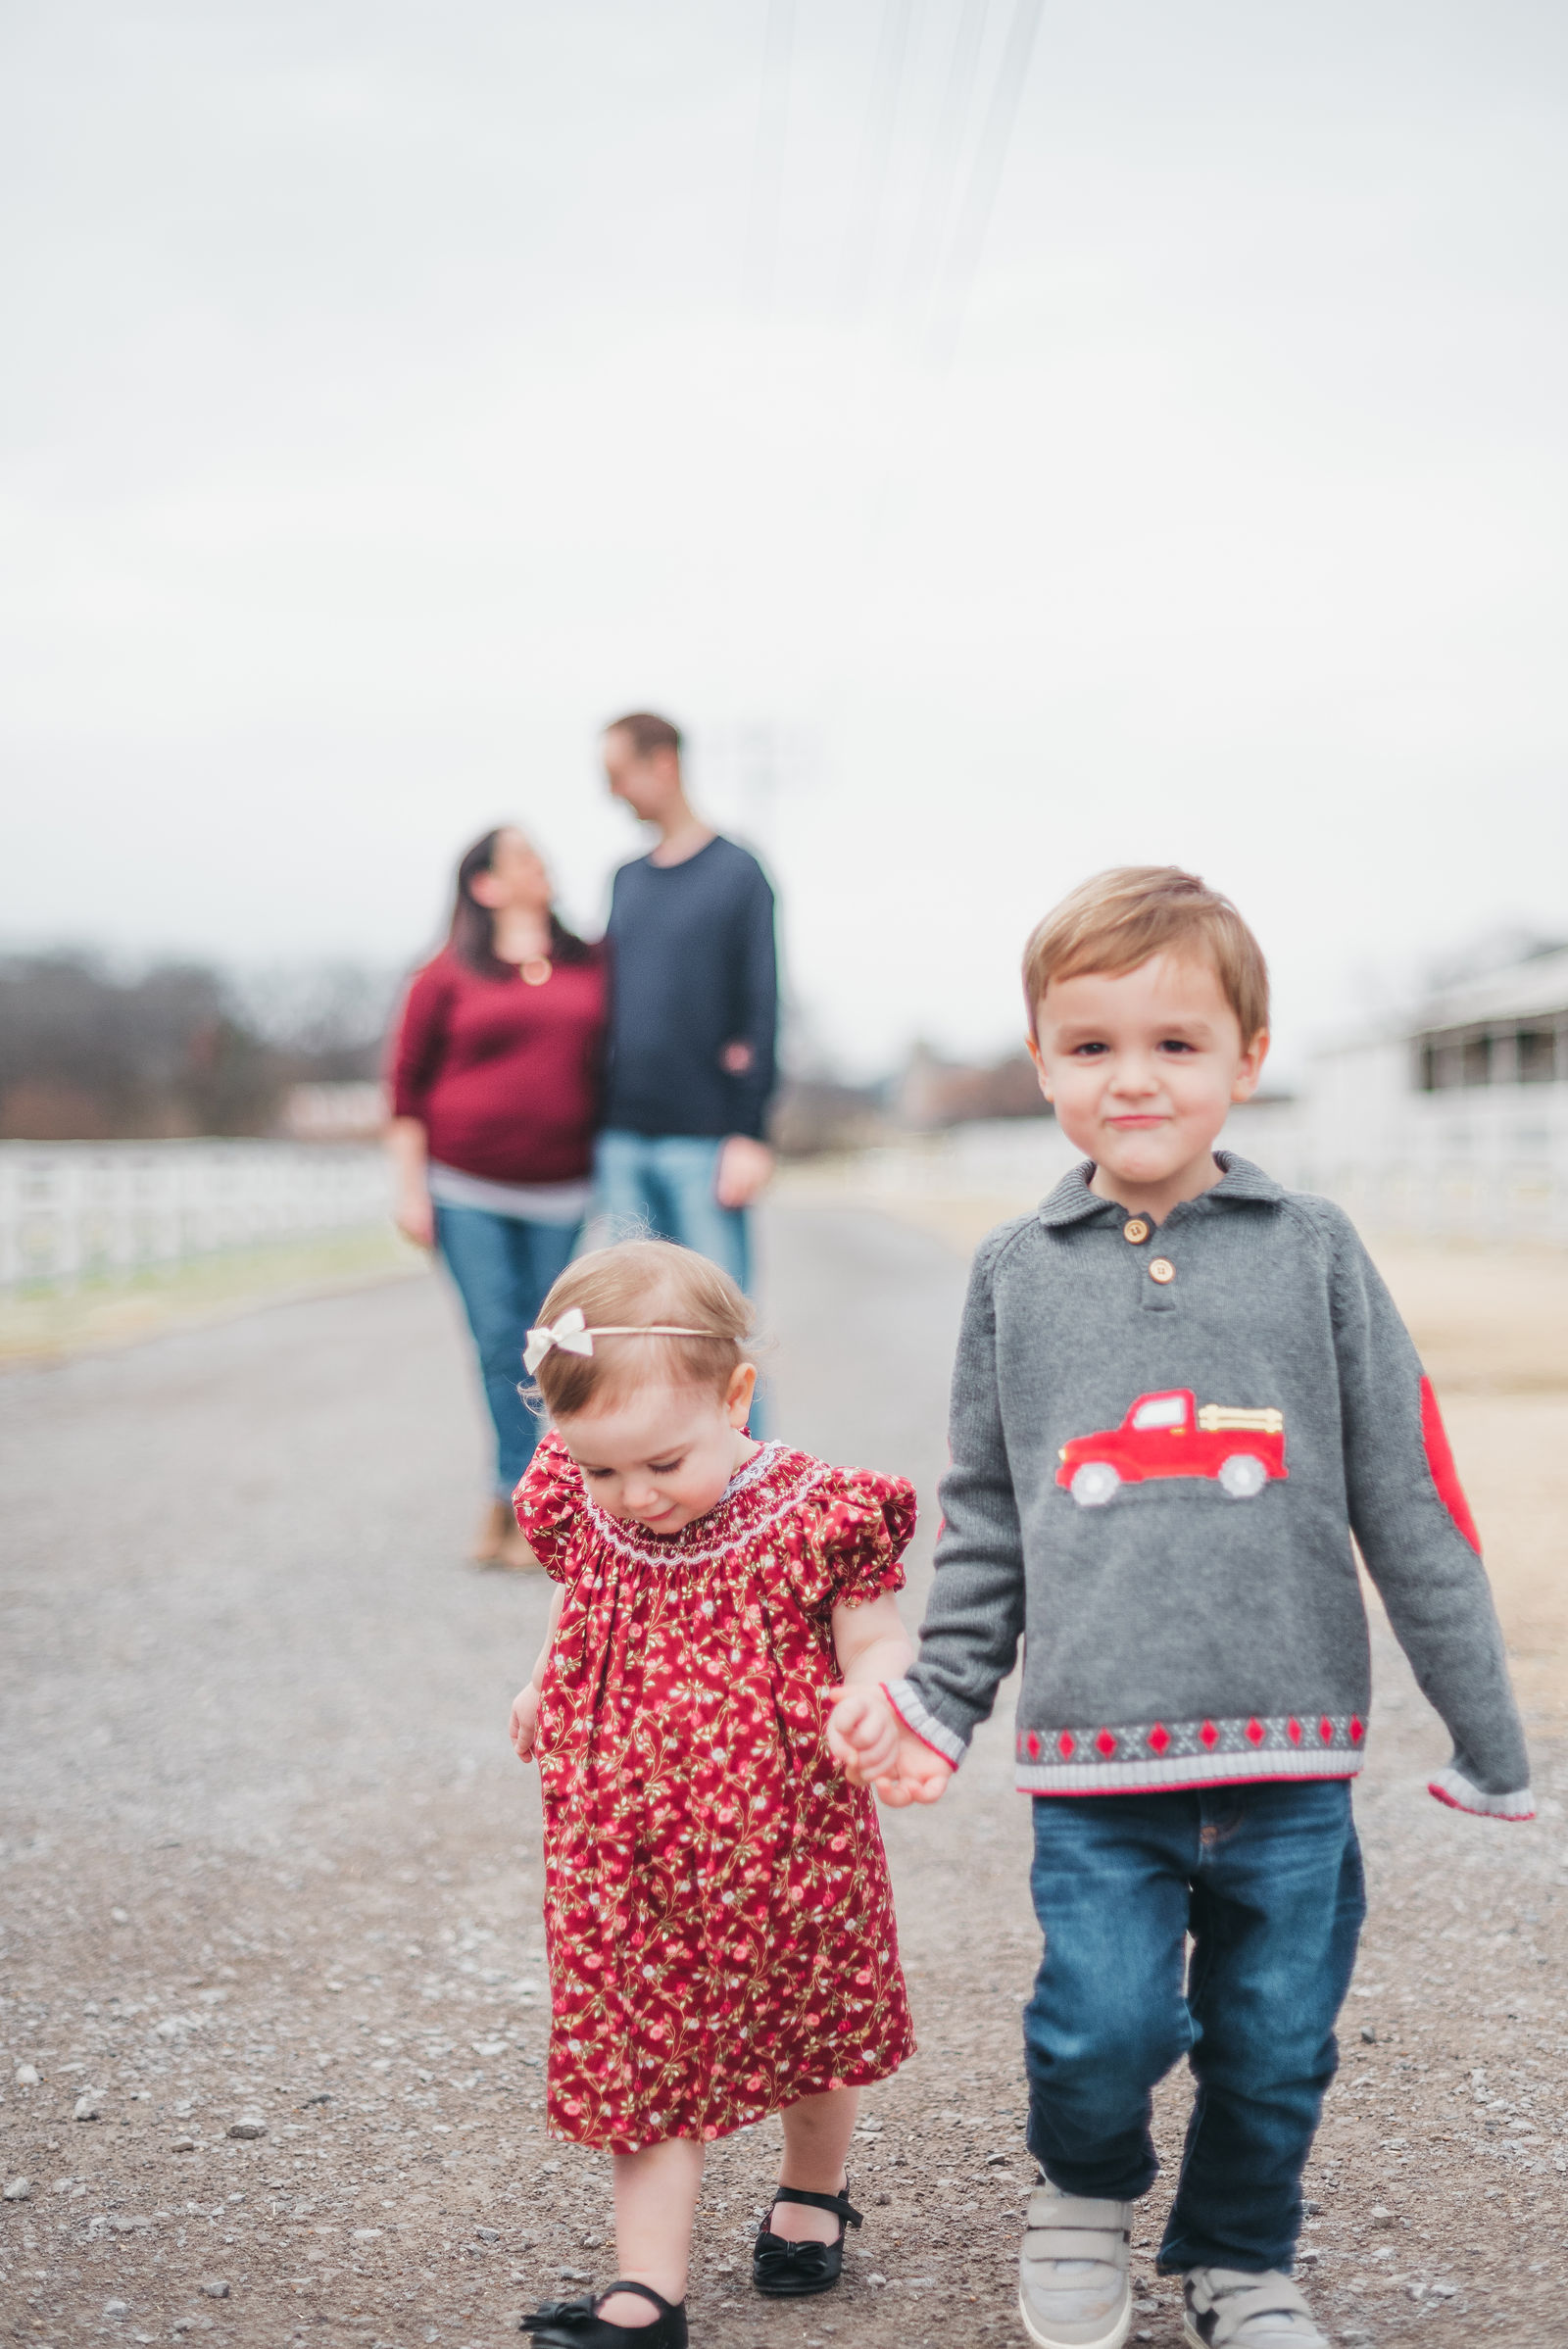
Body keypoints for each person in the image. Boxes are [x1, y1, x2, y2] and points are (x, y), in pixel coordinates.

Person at [828, 866, 1534, 2349]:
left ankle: (1237, 2256)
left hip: (1290, 1765)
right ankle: (1083, 2197)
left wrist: (1487, 1729)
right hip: (1098, 1772)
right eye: (1090, 1046)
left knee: (1275, 2047)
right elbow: (989, 1517)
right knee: (1103, 2029)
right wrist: (939, 1702)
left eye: (1175, 1043)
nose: (1131, 1079)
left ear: (1247, 1060)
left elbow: (1411, 1500)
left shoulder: (1314, 1249)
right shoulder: (1016, 1274)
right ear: (1041, 1065)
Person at [507, 1240, 916, 2349]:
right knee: (634, 2042)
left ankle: (811, 2190)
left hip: (786, 1840)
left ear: (737, 1396)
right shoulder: (583, 1501)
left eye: (661, 1464)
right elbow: (582, 1596)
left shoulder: (819, 1512)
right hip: (618, 1846)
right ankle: (649, 2292)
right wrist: (545, 1677)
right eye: (601, 1470)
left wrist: (875, 1696)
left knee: (810, 2016)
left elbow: (876, 1636)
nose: (632, 1497)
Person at [388, 827, 607, 1570]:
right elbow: (405, 1090)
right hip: (464, 1187)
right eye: (520, 856)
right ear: (483, 884)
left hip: (561, 1189)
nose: (539, 862)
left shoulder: (590, 963)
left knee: (555, 1348)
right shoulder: (443, 974)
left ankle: (541, 1498)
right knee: (497, 1341)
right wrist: (410, 1190)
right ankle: (512, 1496)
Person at [597, 712, 777, 1298]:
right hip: (621, 1140)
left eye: (618, 773)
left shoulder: (739, 873)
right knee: (633, 1329)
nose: (612, 791)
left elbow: (762, 1007)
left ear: (663, 763)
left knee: (719, 1323)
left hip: (706, 1143)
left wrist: (749, 1133)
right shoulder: (624, 880)